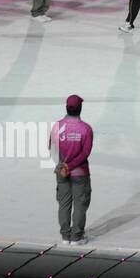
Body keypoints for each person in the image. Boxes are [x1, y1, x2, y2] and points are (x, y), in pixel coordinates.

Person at [51, 94, 93, 246]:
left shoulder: (57, 126)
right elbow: (85, 153)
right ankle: (77, 237)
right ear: (80, 108)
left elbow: (52, 148)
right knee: (80, 204)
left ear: (66, 108)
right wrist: (70, 166)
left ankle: (65, 236)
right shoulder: (86, 129)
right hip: (80, 173)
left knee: (64, 204)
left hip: (62, 173)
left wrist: (62, 166)